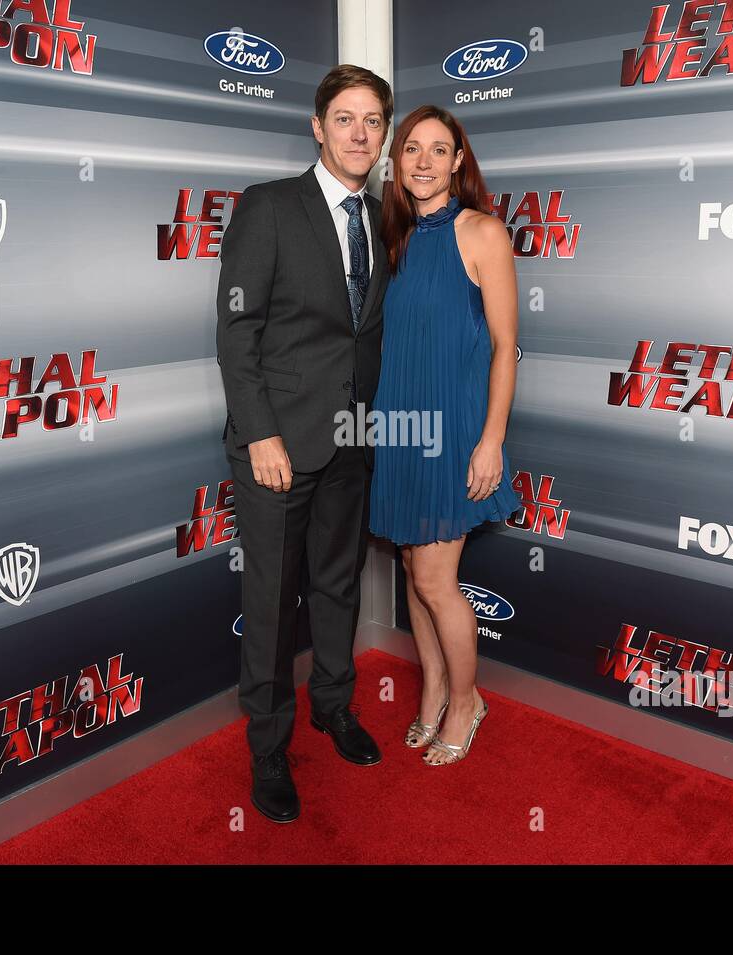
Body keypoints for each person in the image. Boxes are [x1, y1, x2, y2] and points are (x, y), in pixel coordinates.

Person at [215, 65, 392, 822]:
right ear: (317, 127)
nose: (359, 134)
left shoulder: (384, 217)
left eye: (372, 122)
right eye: (344, 119)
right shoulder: (270, 208)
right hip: (278, 445)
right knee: (270, 601)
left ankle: (334, 706)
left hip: (353, 435)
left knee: (338, 585)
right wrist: (259, 432)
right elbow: (237, 329)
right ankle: (267, 748)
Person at [369, 105, 521, 766]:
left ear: (460, 161)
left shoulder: (482, 232)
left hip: (453, 431)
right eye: (412, 149)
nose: (424, 161)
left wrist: (490, 441)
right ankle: (433, 688)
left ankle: (468, 701)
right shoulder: (397, 236)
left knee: (436, 579)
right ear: (398, 161)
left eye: (439, 149)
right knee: (410, 565)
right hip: (399, 427)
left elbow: (508, 347)